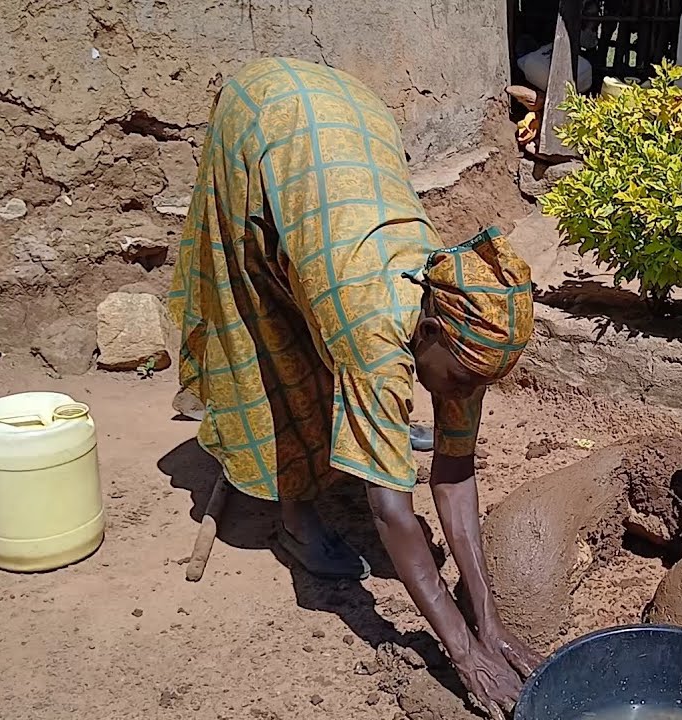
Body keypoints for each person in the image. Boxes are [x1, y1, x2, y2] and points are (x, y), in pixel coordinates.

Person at [168, 57, 539, 716]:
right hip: (263, 126)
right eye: (458, 382)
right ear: (425, 330)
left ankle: (348, 440)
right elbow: (391, 510)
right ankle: (293, 518)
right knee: (277, 342)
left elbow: (452, 472)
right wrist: (465, 656)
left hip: (346, 126)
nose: (461, 396)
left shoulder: (468, 319)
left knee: (325, 333)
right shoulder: (376, 329)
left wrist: (489, 617)